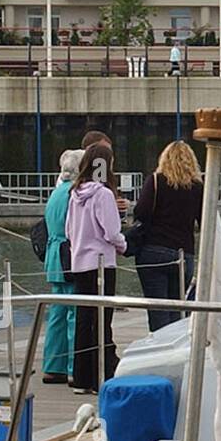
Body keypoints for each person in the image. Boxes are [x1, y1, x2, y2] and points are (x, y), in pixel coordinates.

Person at [65, 141, 126, 393]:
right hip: (101, 263)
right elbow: (111, 231)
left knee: (83, 319)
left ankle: (80, 377)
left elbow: (69, 229)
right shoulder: (103, 194)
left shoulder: (74, 193)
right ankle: (99, 376)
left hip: (80, 261)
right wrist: (123, 244)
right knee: (102, 320)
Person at [132, 139, 203, 332]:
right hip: (183, 254)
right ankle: (175, 352)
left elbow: (141, 212)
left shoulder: (156, 181)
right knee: (178, 309)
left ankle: (159, 350)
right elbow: (204, 220)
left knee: (157, 311)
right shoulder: (197, 187)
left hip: (153, 251)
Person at [40, 148, 82, 383]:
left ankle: (52, 364)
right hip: (70, 255)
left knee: (57, 312)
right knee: (75, 313)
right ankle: (73, 367)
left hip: (54, 256)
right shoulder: (74, 194)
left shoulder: (56, 193)